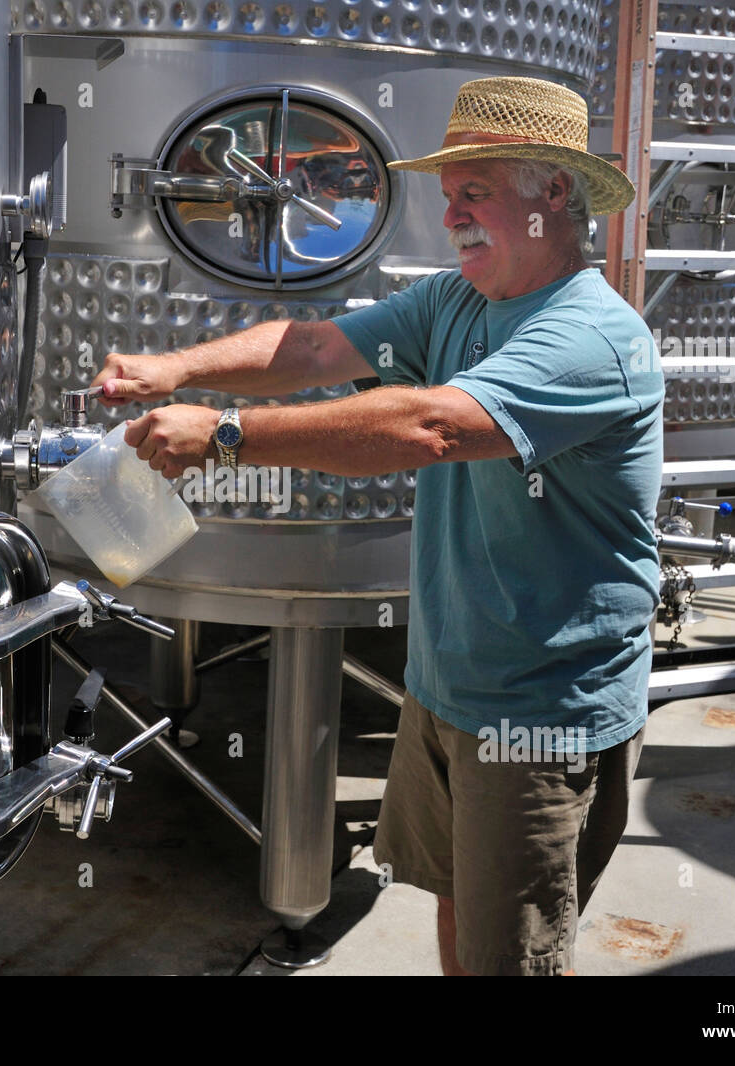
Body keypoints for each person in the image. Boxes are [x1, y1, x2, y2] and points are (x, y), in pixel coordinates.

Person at [90, 76, 664, 976]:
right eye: (447, 196)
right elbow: (314, 348)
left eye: (474, 191)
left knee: (512, 957)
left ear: (554, 193)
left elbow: (427, 428)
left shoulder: (593, 336)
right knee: (451, 907)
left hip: (540, 712)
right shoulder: (458, 301)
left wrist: (225, 436)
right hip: (444, 690)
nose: (452, 216)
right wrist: (175, 369)